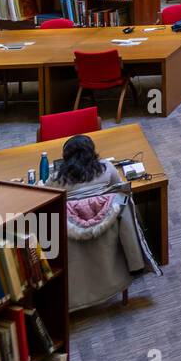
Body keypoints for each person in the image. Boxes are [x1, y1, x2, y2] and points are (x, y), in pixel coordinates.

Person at [52, 133, 160, 311]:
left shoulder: (57, 180)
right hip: (108, 237)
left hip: (74, 244)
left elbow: (46, 197)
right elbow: (120, 190)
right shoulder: (107, 168)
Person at [54, 133, 125, 188]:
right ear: (91, 152)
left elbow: (44, 194)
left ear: (66, 156)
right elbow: (121, 188)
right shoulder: (106, 167)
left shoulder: (58, 178)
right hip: (102, 206)